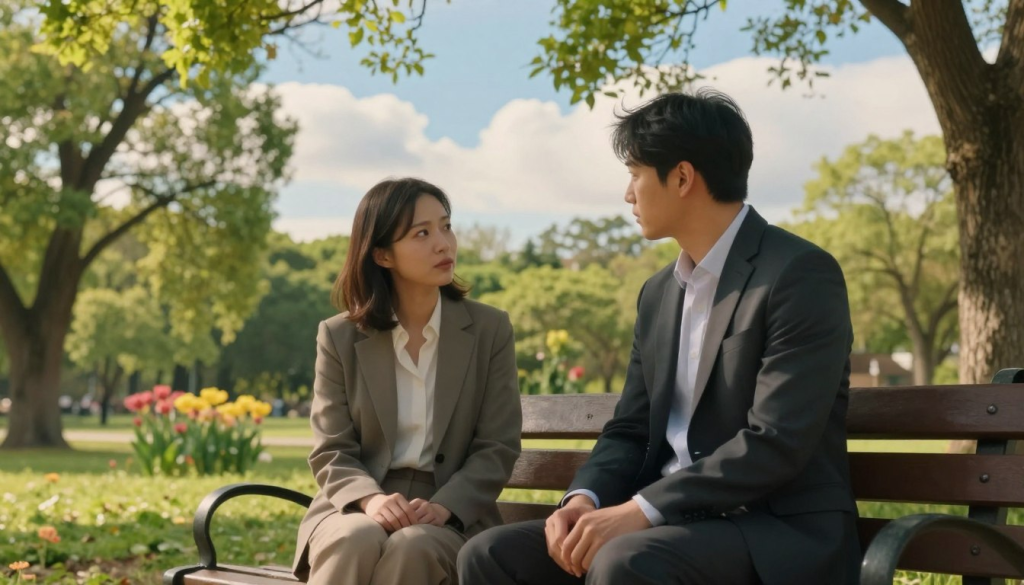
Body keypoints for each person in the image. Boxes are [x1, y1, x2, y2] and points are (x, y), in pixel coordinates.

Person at [458, 89, 860, 585]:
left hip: (773, 530)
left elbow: (777, 440)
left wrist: (643, 510)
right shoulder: (658, 295)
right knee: (491, 554)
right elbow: (630, 429)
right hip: (669, 525)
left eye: (635, 175)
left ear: (683, 177)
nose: (628, 194)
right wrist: (585, 498)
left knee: (625, 561)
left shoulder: (798, 274)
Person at [293, 177, 522, 585]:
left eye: (446, 226)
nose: (443, 244)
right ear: (382, 255)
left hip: (452, 513)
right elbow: (332, 449)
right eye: (422, 233)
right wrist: (371, 500)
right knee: (355, 538)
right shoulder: (340, 336)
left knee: (412, 546)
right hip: (354, 504)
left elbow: (497, 446)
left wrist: (445, 507)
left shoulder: (490, 329)